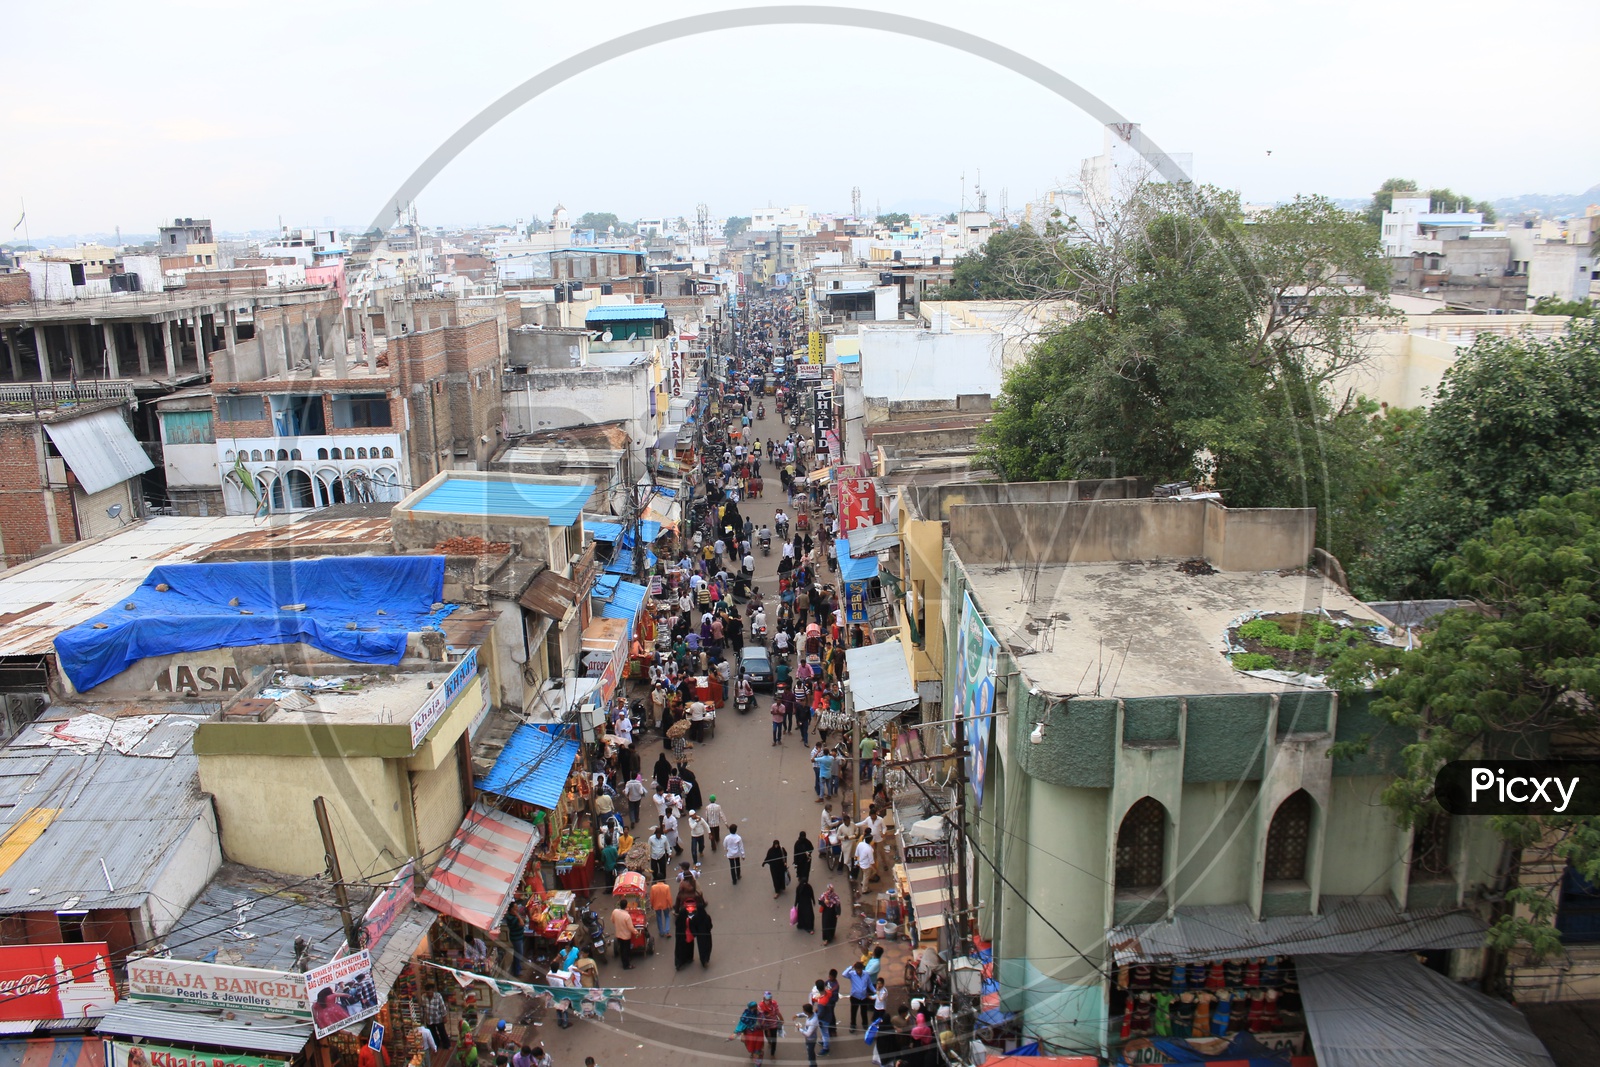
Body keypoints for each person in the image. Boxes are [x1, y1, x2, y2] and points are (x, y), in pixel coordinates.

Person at [846, 960, 873, 1033]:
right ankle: (853, 1025)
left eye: (860, 970)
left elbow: (869, 984)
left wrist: (874, 991)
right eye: (857, 970)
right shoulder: (852, 974)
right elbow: (844, 974)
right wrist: (851, 967)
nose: (859, 971)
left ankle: (865, 1024)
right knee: (853, 1012)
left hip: (864, 997)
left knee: (864, 1011)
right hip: (854, 997)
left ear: (862, 969)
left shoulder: (866, 974)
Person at [673, 896, 698, 970]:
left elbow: (677, 925)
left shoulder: (679, 920)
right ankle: (689, 958)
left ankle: (679, 963)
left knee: (679, 949)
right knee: (689, 947)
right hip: (687, 936)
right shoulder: (688, 919)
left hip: (680, 937)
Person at [690, 898, 714, 968]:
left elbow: (692, 926)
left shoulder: (695, 918)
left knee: (701, 948)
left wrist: (695, 934)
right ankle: (707, 958)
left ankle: (703, 960)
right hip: (707, 934)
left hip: (700, 936)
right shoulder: (707, 917)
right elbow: (710, 925)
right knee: (708, 946)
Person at [610, 901, 636, 969]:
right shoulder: (627, 916)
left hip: (619, 934)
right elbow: (631, 928)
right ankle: (626, 965)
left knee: (621, 948)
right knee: (626, 950)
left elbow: (612, 920)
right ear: (626, 906)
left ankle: (624, 961)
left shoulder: (615, 911)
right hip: (626, 936)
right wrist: (636, 932)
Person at [757, 992, 783, 1060]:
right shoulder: (760, 1005)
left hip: (774, 1023)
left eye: (769, 999)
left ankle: (772, 1053)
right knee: (767, 1035)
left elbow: (777, 1012)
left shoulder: (774, 1003)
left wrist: (781, 1019)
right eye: (766, 999)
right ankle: (769, 1041)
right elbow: (762, 1018)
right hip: (765, 1024)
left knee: (774, 1039)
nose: (768, 1001)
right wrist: (767, 1030)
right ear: (764, 998)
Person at [796, 1003, 820, 1067]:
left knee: (810, 1052)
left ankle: (813, 1065)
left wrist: (799, 1029)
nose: (803, 1011)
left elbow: (808, 1034)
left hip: (811, 1039)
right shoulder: (811, 1014)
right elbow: (804, 1014)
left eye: (803, 1010)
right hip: (809, 1038)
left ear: (807, 1011)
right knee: (810, 1051)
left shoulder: (813, 1021)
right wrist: (797, 1015)